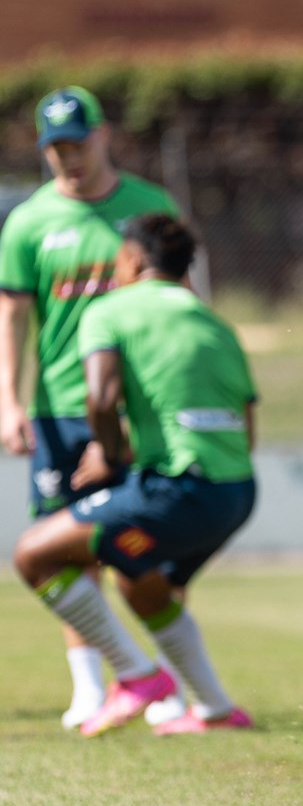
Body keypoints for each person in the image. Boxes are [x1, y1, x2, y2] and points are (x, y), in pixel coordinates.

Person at [12, 213, 257, 737]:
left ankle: (137, 677)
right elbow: (249, 422)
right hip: (236, 494)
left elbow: (99, 398)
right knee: (141, 583)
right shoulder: (215, 322)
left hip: (178, 488)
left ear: (132, 260)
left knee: (35, 553)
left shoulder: (110, 310)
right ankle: (214, 708)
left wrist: (109, 453)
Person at [0, 86, 184, 729]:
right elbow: (14, 317)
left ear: (103, 135)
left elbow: (182, 306)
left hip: (138, 409)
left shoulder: (149, 207)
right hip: (60, 411)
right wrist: (9, 402)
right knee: (66, 551)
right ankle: (93, 686)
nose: (67, 158)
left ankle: (169, 688)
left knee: (144, 547)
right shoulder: (27, 223)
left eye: (77, 143)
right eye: (55, 148)